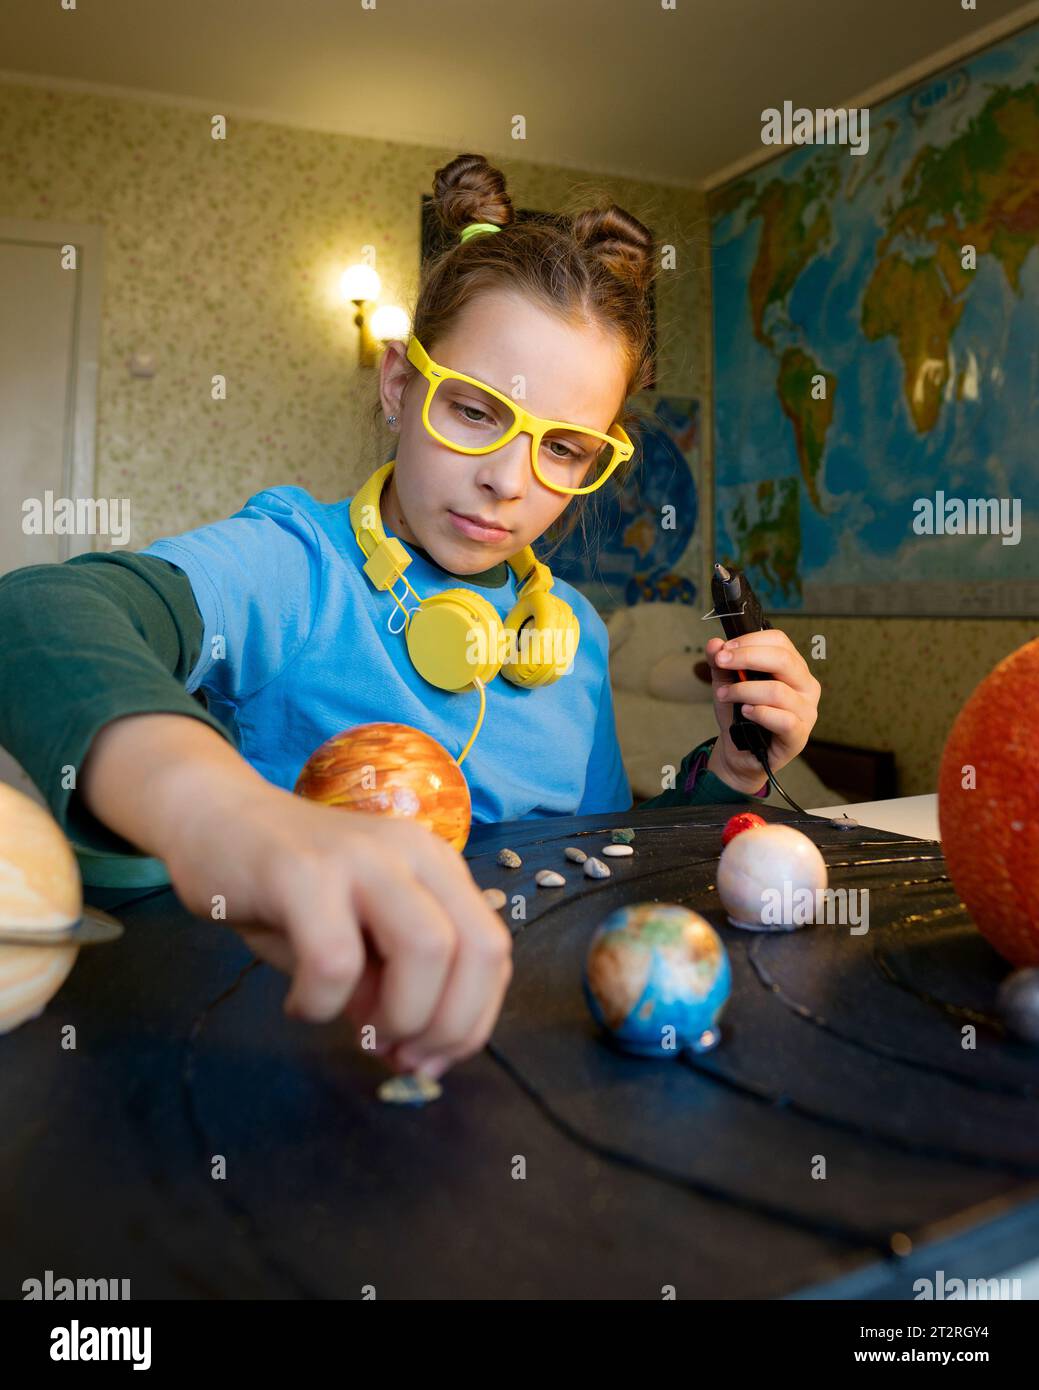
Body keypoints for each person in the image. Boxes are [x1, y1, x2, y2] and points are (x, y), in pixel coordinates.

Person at [0, 153, 820, 1080]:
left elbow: (602, 866)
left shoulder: (574, 640)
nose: (508, 482)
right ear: (398, 384)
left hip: (518, 1055)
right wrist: (220, 816)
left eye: (563, 448)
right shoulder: (294, 567)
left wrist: (731, 773)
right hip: (294, 1048)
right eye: (474, 410)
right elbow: (37, 613)